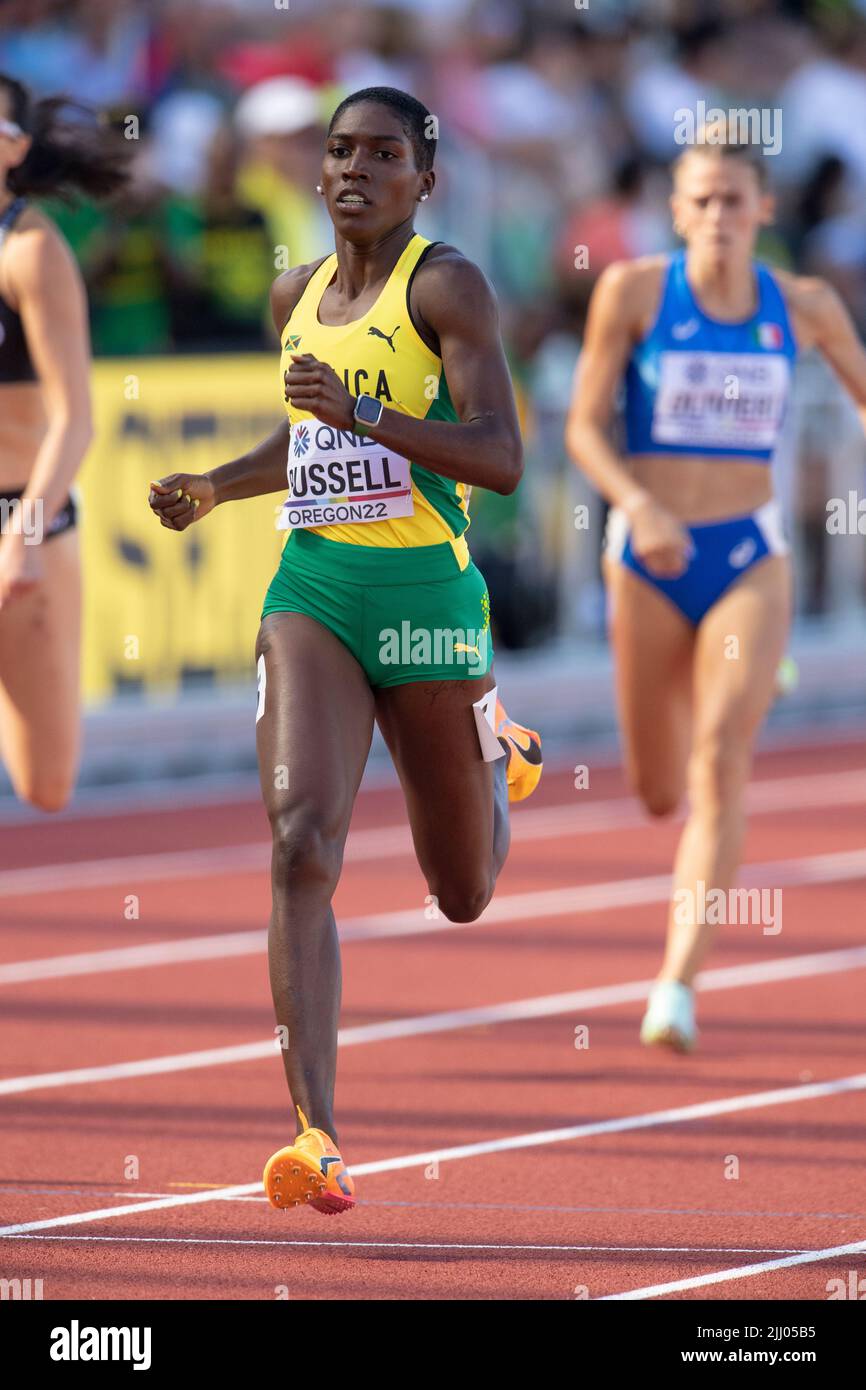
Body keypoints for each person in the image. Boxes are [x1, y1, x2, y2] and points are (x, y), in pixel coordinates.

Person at [148, 86, 542, 1213]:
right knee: (297, 839)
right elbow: (305, 431)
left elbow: (500, 458)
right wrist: (218, 487)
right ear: (315, 176)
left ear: (426, 180)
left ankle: (494, 741)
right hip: (312, 587)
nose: (354, 168)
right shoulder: (295, 294)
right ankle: (315, 1133)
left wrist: (367, 415)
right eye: (337, 151)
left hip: (425, 598)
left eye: (382, 153)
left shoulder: (446, 284)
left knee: (461, 889)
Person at [566, 129, 866, 1052]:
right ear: (675, 211)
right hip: (650, 561)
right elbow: (580, 429)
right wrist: (639, 505)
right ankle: (733, 672)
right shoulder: (633, 292)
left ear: (764, 209)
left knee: (718, 766)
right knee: (657, 791)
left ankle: (677, 986)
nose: (718, 218)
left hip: (747, 555)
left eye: (735, 200)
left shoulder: (805, 304)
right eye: (700, 201)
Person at [0, 74, 126, 809]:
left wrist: (25, 532)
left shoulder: (30, 251)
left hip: (21, 516)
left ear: (13, 148)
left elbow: (76, 415)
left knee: (44, 784)